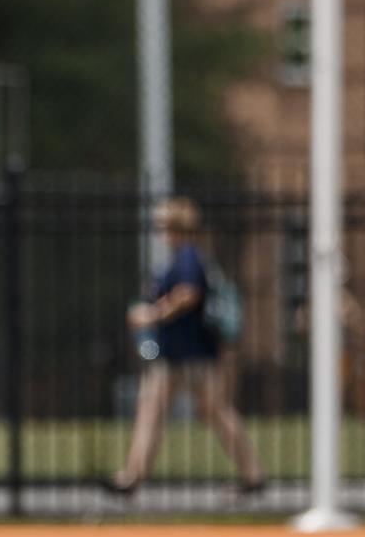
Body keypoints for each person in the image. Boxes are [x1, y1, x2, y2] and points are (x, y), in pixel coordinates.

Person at [106, 197, 264, 498]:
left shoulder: (188, 257)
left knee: (180, 410)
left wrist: (152, 314)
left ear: (175, 226)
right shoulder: (182, 258)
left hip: (186, 354)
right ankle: (133, 476)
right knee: (189, 411)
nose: (159, 230)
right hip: (184, 354)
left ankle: (132, 477)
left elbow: (188, 294)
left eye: (162, 224)